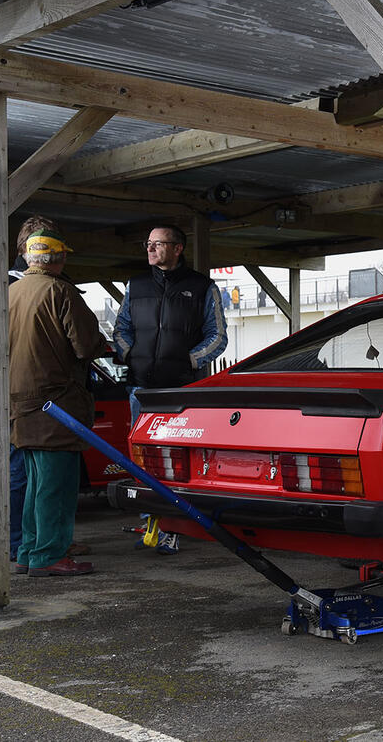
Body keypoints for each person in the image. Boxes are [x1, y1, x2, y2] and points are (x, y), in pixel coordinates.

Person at [112, 224, 227, 554]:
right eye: (147, 244)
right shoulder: (136, 285)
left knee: (177, 461)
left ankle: (175, 528)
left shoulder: (202, 287)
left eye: (157, 244)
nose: (150, 249)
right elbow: (121, 328)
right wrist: (130, 353)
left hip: (180, 391)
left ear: (177, 248)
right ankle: (152, 523)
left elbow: (217, 335)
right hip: (140, 389)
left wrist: (190, 361)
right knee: (142, 459)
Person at [9, 227, 105, 576]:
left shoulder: (10, 292)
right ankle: (50, 555)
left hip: (19, 406)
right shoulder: (60, 291)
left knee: (34, 484)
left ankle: (29, 552)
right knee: (56, 487)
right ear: (59, 258)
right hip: (57, 406)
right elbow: (86, 345)